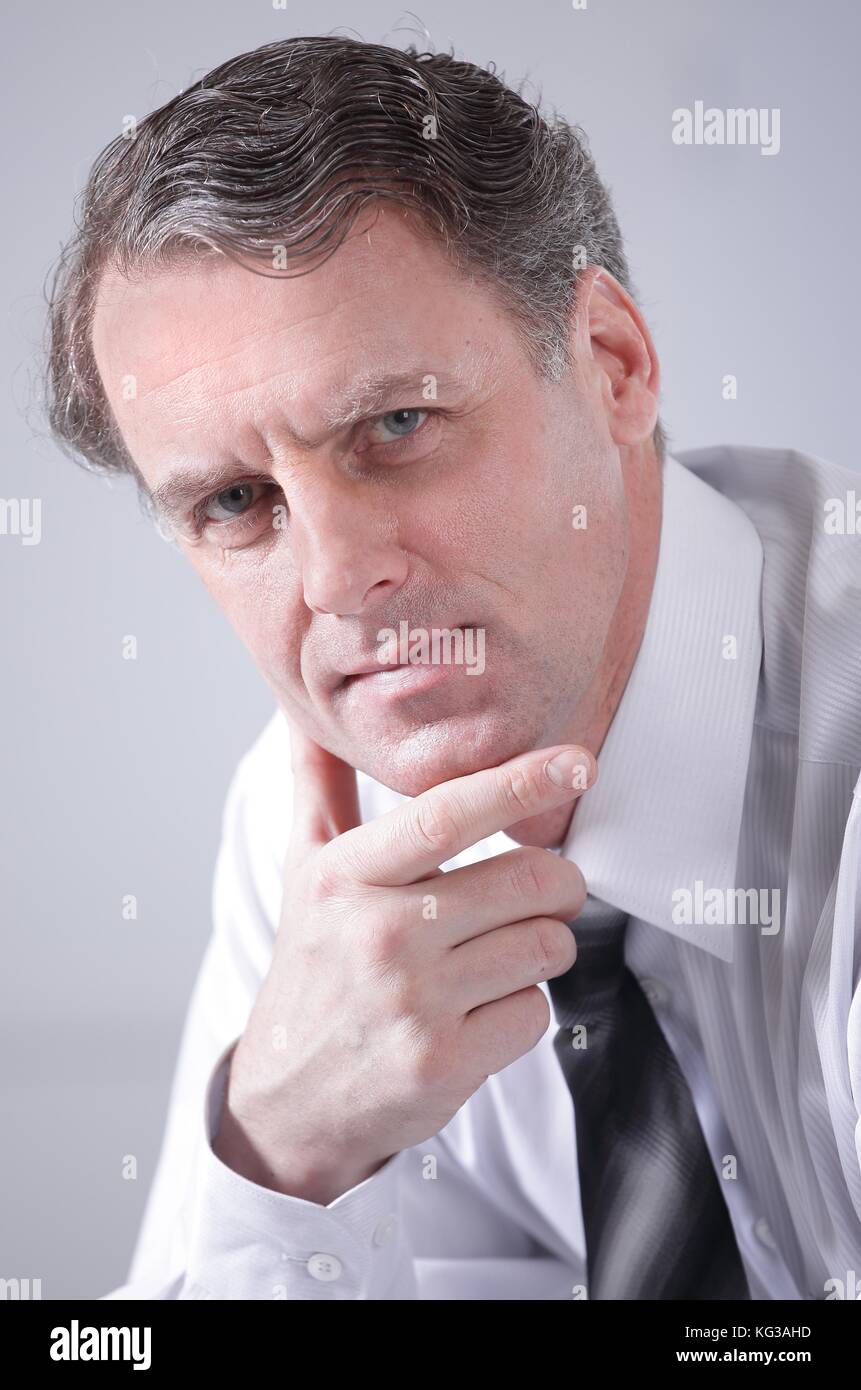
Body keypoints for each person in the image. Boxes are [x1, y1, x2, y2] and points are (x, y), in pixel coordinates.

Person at [44, 35, 861, 1300]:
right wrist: (281, 1148)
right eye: (236, 500)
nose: (332, 580)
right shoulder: (311, 832)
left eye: (397, 425)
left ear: (611, 364)